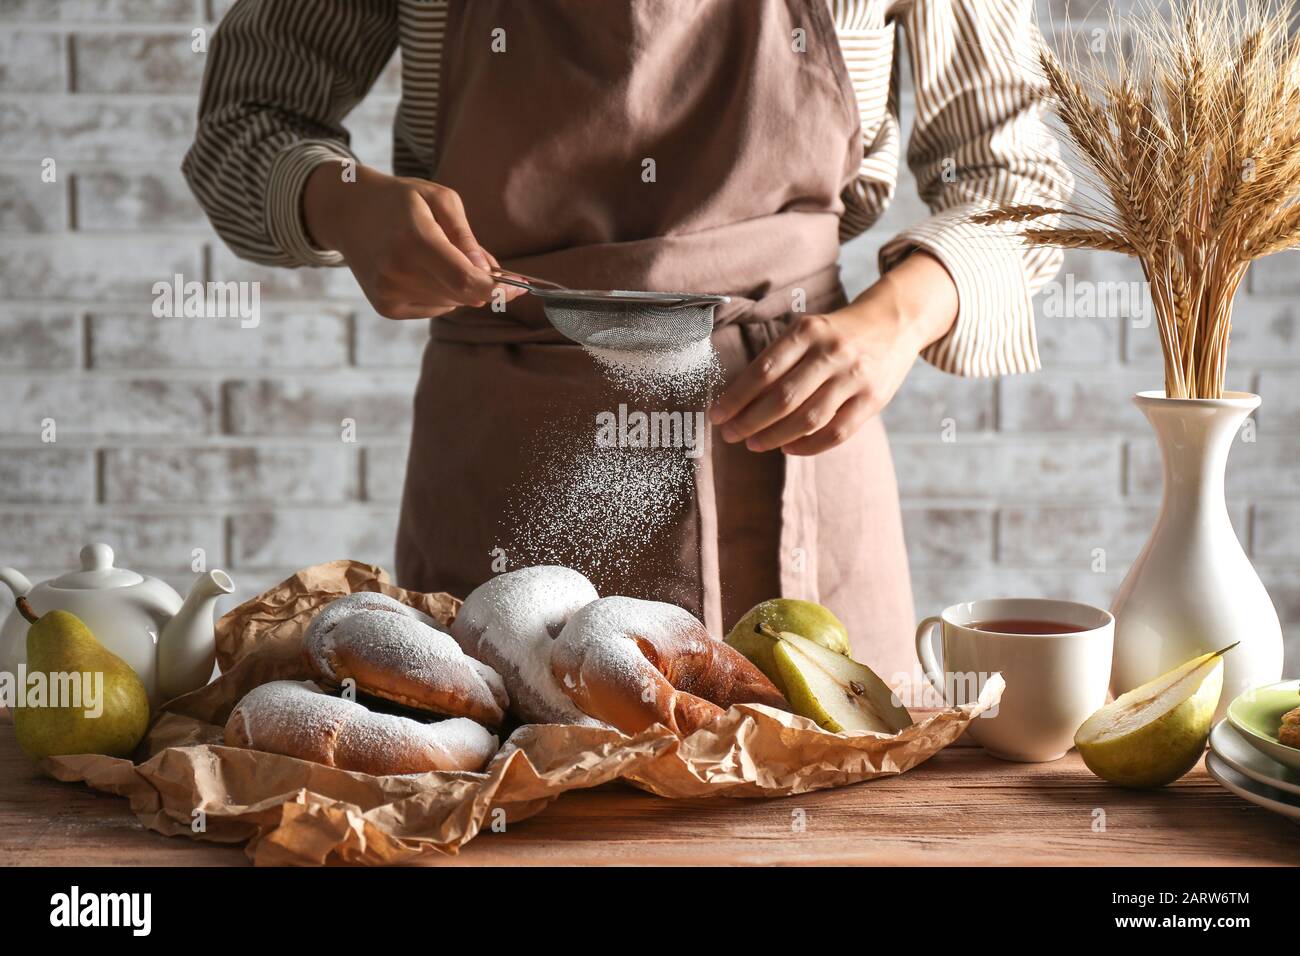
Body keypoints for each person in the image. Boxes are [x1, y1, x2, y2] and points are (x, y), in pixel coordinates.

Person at [184, 0, 1069, 683]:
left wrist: (897, 320)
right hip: (503, 469)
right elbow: (246, 123)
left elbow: (1013, 177)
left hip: (788, 449)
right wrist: (339, 201)